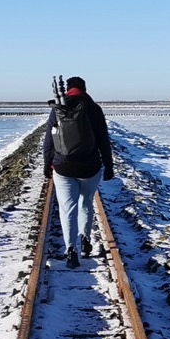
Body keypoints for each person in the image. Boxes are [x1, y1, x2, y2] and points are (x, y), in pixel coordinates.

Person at [43, 75, 115, 268]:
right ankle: (85, 239)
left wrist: (47, 164)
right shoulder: (93, 108)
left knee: (68, 210)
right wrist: (109, 165)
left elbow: (49, 139)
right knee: (86, 204)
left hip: (63, 167)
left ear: (67, 89)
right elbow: (103, 140)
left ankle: (70, 250)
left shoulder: (59, 108)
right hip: (90, 167)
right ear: (85, 88)